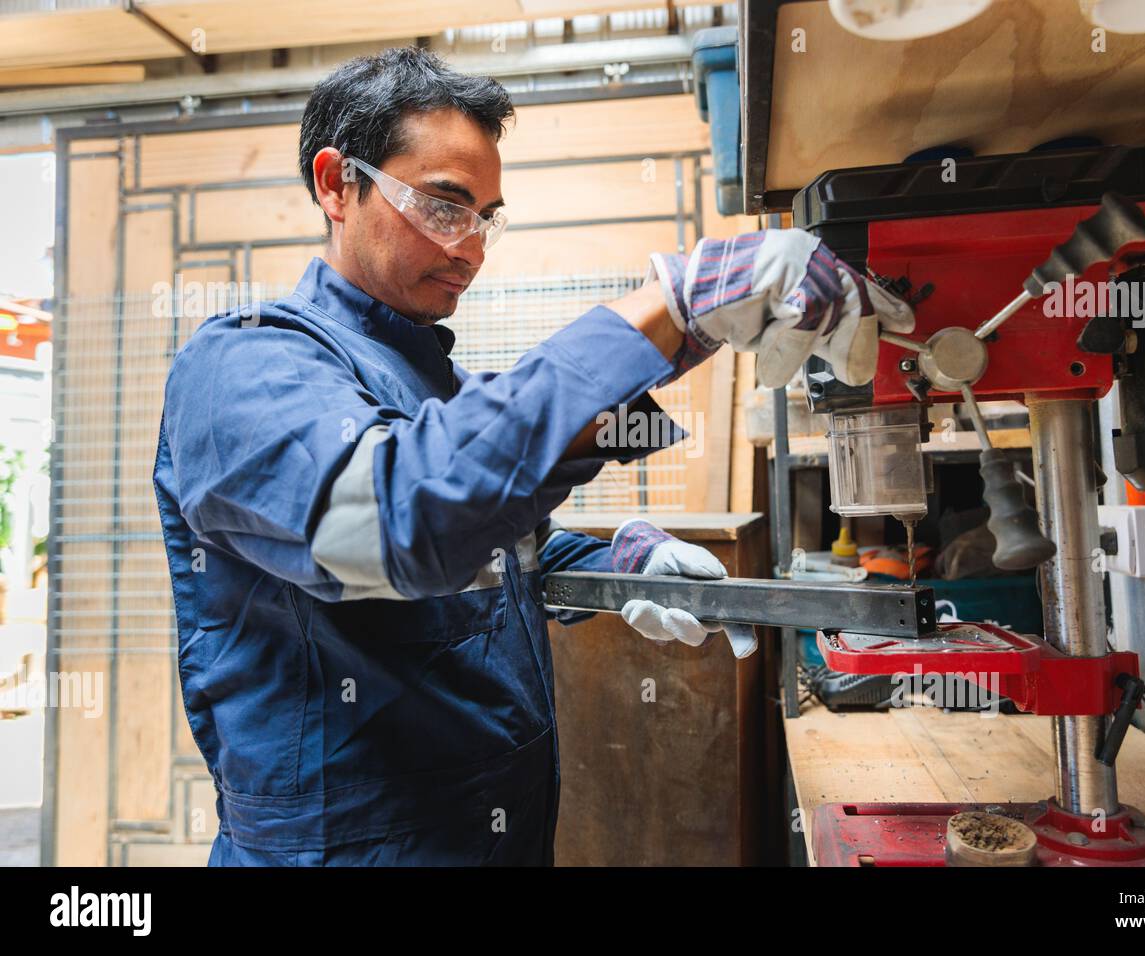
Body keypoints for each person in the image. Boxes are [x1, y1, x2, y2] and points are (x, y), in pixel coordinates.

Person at [153, 46, 912, 865]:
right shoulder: (243, 366)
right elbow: (394, 526)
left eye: (486, 216)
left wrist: (622, 561)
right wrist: (678, 303)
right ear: (337, 183)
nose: (472, 248)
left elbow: (488, 550)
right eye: (445, 206)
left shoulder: (433, 385)